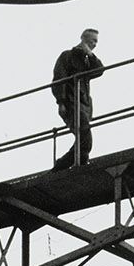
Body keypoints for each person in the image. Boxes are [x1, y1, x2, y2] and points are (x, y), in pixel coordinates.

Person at [51, 28, 104, 169]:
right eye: (93, 40)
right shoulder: (67, 56)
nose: (95, 44)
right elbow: (58, 79)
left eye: (96, 41)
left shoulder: (86, 61)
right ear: (84, 40)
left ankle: (69, 165)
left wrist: (90, 55)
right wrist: (61, 103)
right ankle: (67, 165)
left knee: (83, 140)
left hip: (85, 105)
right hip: (71, 102)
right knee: (86, 139)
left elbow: (99, 71)